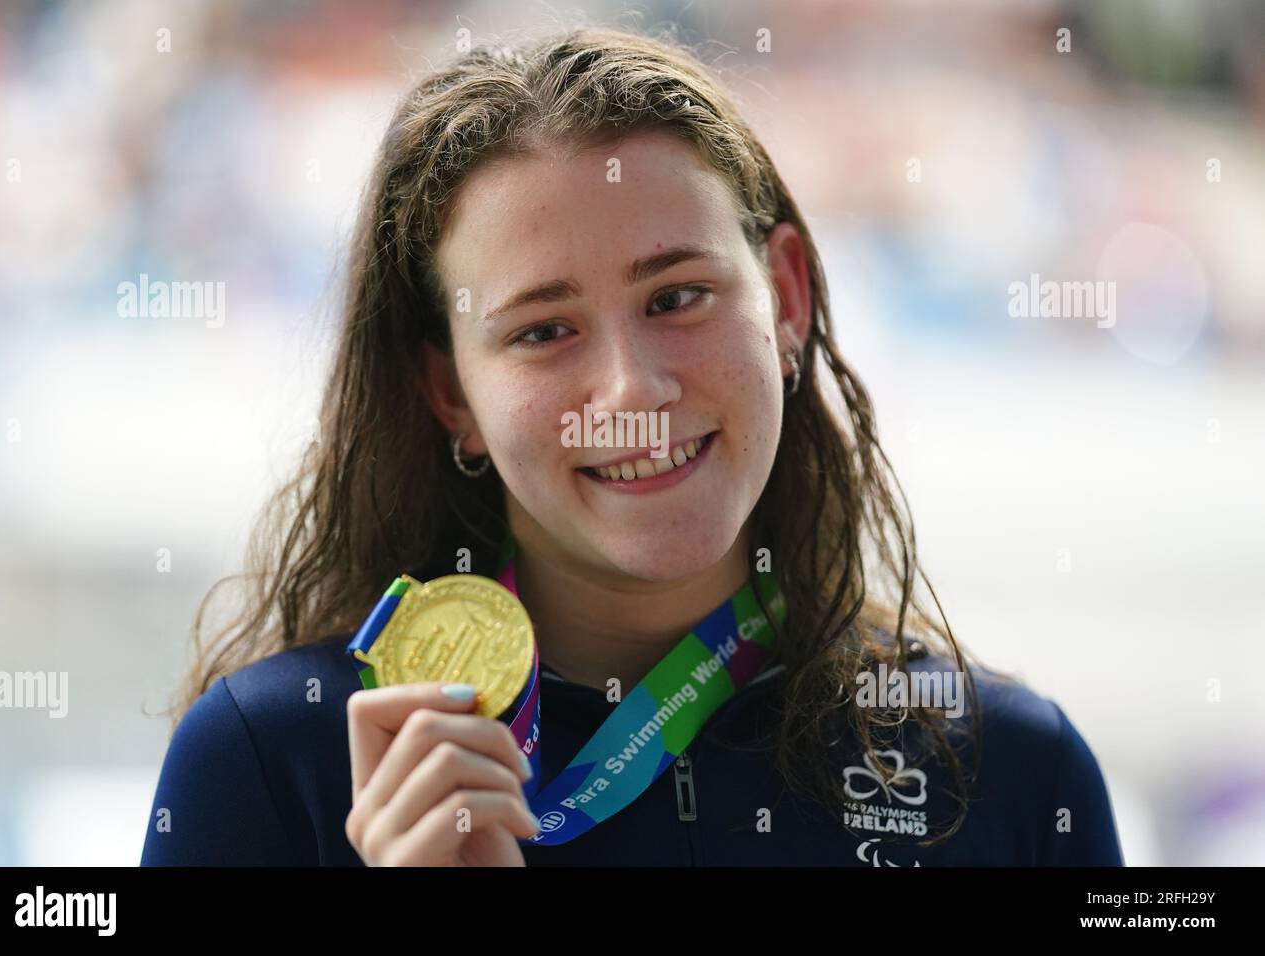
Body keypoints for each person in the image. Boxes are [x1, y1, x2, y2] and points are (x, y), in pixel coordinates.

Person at [140, 27, 1124, 867]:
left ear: (782, 298)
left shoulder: (1006, 770)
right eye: (542, 330)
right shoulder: (274, 760)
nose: (632, 387)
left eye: (676, 297)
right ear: (451, 392)